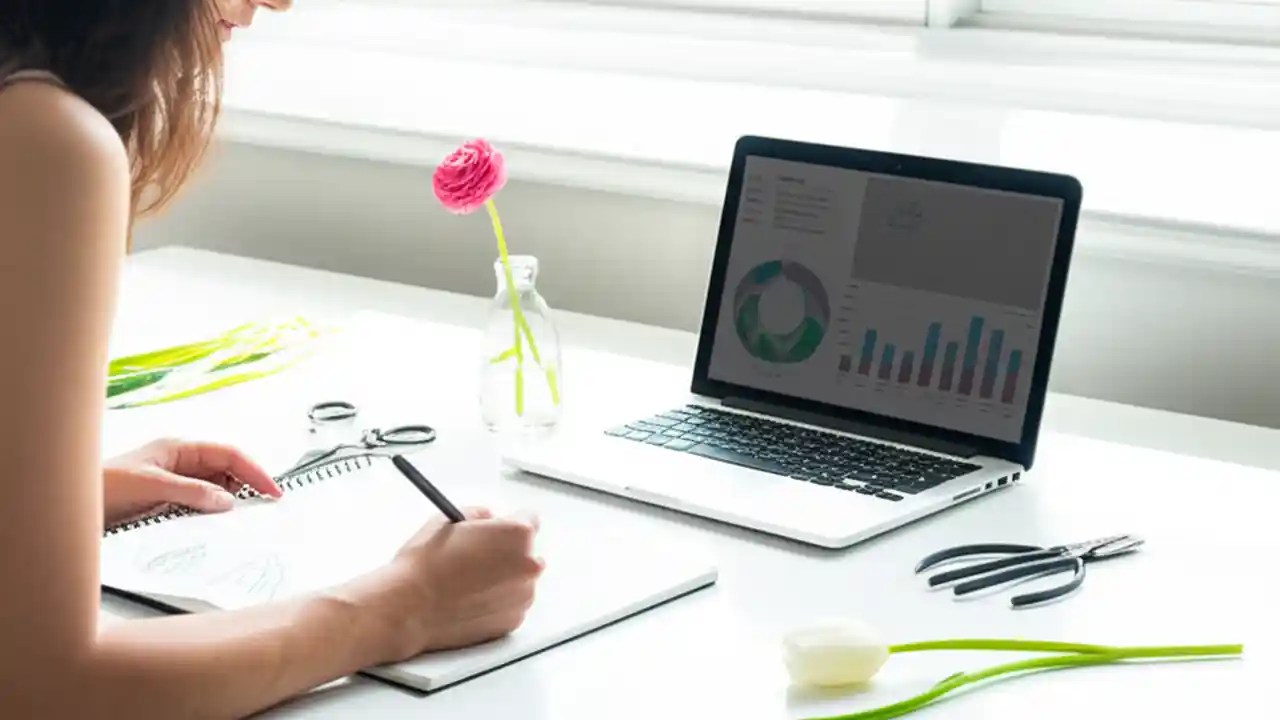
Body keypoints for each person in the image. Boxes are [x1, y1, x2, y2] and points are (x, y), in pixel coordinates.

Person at [0, 1, 544, 716]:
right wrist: (403, 606)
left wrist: (50, 504)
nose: (282, 1)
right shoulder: (42, 136)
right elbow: (48, 685)